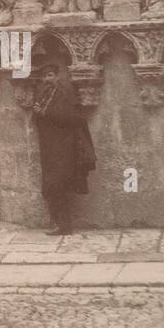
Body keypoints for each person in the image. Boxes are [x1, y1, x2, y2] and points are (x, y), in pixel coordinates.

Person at [32, 65, 97, 236]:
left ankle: (64, 225)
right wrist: (38, 113)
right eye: (45, 76)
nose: (47, 79)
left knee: (58, 184)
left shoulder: (65, 94)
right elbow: (38, 117)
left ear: (58, 77)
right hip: (49, 148)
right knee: (51, 186)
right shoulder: (44, 94)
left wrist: (45, 114)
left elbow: (70, 118)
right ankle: (58, 223)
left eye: (51, 75)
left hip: (64, 147)